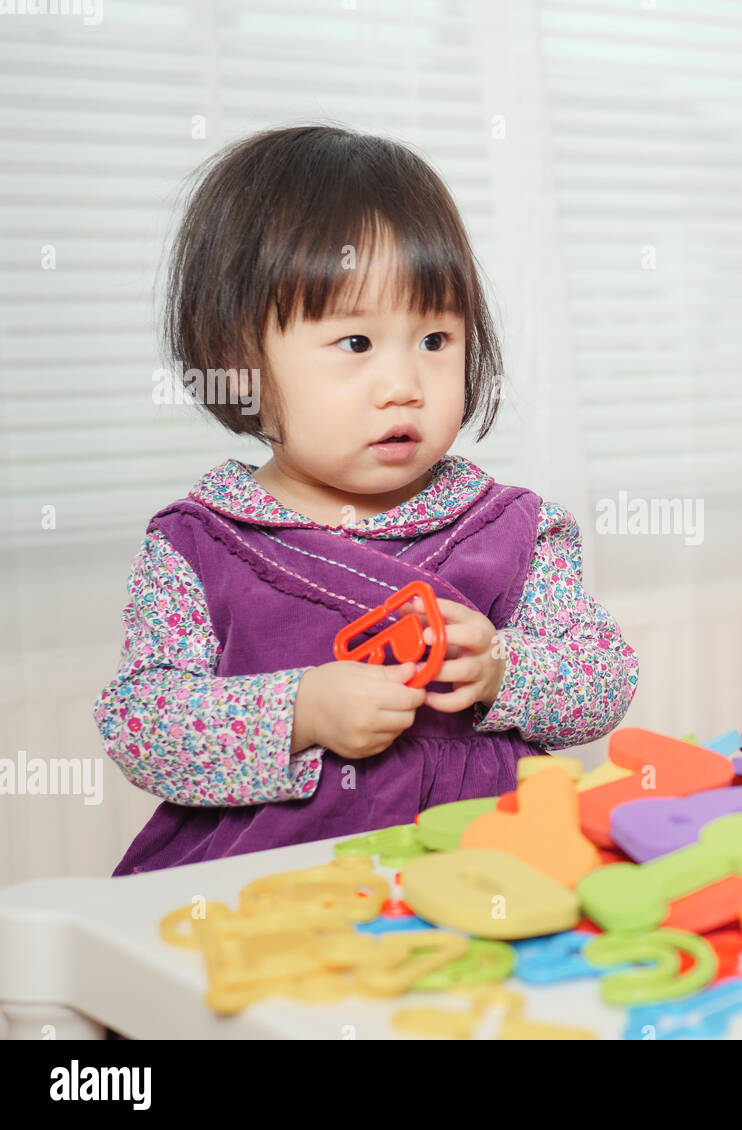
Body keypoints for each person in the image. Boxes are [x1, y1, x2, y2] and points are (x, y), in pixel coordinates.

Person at [94, 124, 638, 879]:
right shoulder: (198, 547)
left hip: (480, 871)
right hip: (282, 889)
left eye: (436, 339)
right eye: (356, 344)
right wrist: (300, 712)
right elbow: (141, 728)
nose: (404, 384)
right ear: (238, 359)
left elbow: (603, 679)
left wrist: (503, 671)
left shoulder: (514, 529)